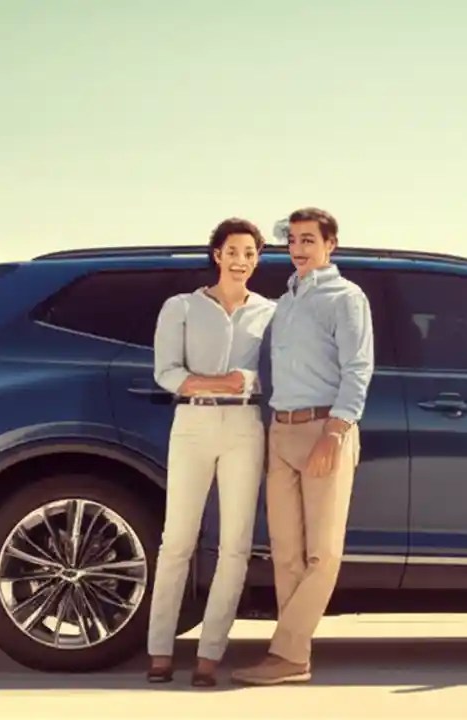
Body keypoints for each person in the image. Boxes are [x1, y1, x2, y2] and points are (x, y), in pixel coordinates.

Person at [231, 207, 374, 686]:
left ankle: (286, 652)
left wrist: (335, 431)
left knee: (322, 553)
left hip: (322, 429)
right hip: (281, 430)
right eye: (292, 240)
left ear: (330, 244)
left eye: (308, 240)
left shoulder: (346, 298)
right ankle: (294, 656)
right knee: (286, 552)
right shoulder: (287, 300)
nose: (298, 249)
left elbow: (358, 369)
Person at [145, 218, 277, 687]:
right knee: (177, 540)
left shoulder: (270, 313)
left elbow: (272, 374)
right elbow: (167, 372)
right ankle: (160, 650)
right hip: (193, 424)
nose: (241, 261)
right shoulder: (181, 307)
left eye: (250, 253)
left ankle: (210, 654)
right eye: (233, 251)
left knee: (235, 544)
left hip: (245, 426)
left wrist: (242, 381)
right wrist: (220, 383)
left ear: (257, 260)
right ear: (217, 255)